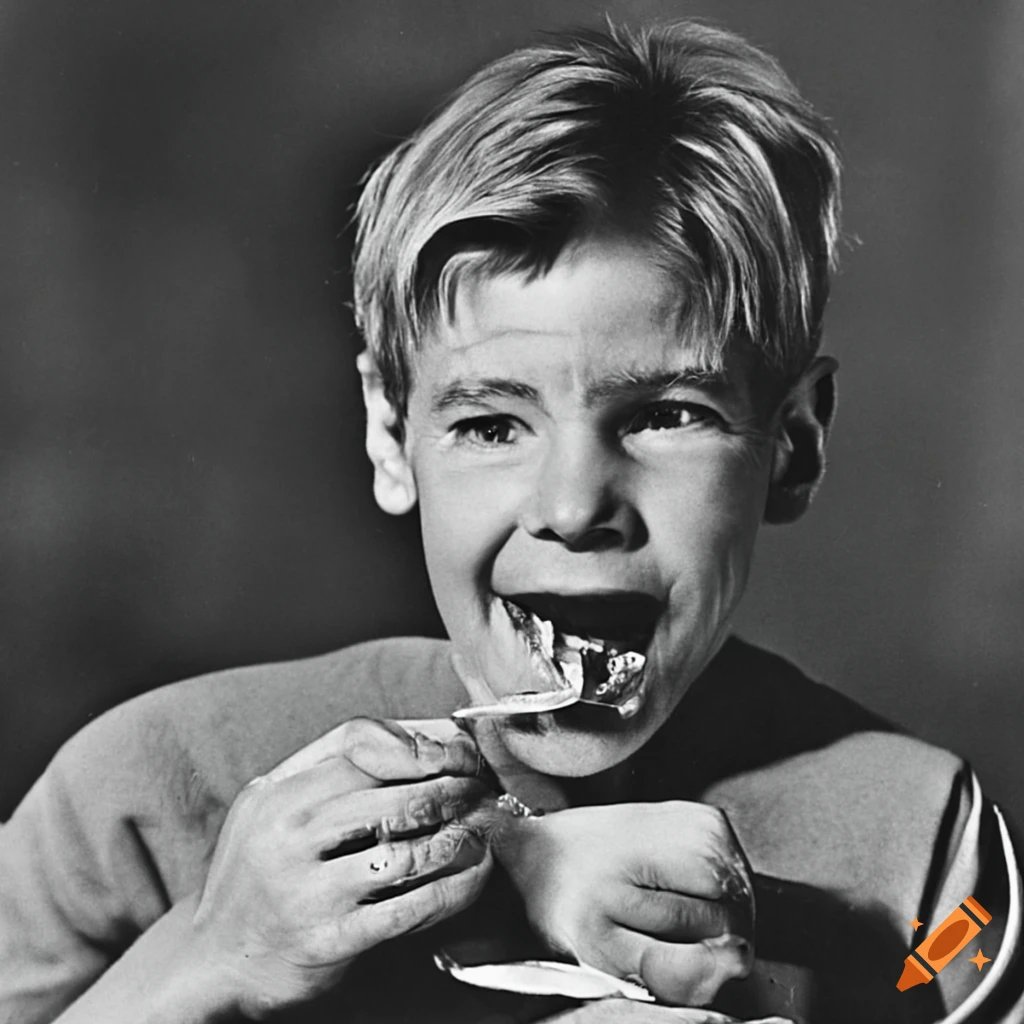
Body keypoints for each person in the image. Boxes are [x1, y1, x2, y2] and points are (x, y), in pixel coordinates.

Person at [0, 19, 1020, 1024]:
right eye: (491, 424)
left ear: (792, 444)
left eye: (667, 415)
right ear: (391, 438)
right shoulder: (142, 788)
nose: (573, 508)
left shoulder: (917, 840)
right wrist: (216, 949)